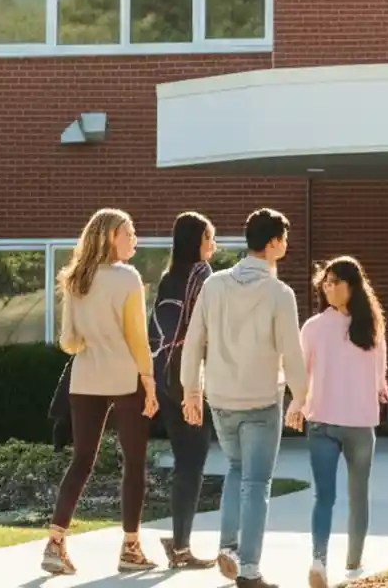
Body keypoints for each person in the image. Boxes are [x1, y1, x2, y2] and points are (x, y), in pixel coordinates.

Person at [180, 207, 308, 588]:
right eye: (284, 238)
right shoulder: (279, 293)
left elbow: (193, 341)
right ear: (271, 244)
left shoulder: (214, 285)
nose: (286, 244)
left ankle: (229, 547)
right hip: (261, 400)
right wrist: (300, 398)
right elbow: (293, 351)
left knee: (236, 471)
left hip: (220, 399)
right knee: (256, 483)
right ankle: (249, 569)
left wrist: (191, 390)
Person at [42, 208, 159, 575]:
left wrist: (92, 334)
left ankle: (55, 543)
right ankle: (130, 548)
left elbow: (68, 341)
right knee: (134, 462)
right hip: (125, 378)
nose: (134, 239)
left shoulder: (76, 277)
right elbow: (138, 339)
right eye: (129, 232)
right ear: (111, 237)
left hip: (85, 378)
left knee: (82, 461)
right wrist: (150, 381)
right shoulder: (127, 278)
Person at [301, 256, 388, 588]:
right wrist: (297, 404)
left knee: (355, 497)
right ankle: (320, 562)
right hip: (325, 422)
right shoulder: (313, 327)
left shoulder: (371, 327)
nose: (329, 287)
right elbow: (301, 374)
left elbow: (380, 377)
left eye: (336, 281)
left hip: (357, 425)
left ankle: (352, 564)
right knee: (327, 496)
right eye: (325, 281)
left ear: (352, 286)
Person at [148, 211, 218, 569]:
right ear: (197, 242)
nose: (214, 246)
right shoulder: (202, 274)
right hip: (191, 381)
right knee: (192, 464)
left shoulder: (168, 278)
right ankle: (180, 547)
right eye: (209, 239)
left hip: (164, 379)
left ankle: (178, 540)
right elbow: (204, 331)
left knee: (183, 463)